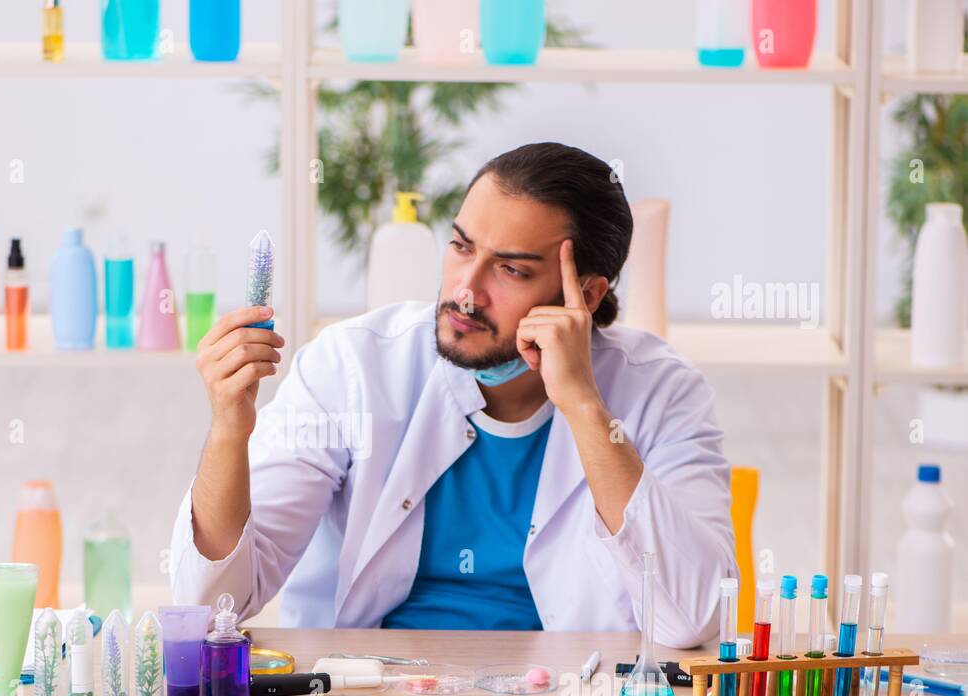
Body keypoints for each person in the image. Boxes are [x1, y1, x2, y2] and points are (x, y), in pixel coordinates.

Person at [169, 142, 736, 648]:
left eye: (510, 269)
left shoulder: (662, 391)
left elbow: (693, 619)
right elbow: (212, 605)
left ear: (583, 294)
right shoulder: (354, 366)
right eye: (462, 248)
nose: (466, 290)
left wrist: (584, 407)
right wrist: (228, 428)